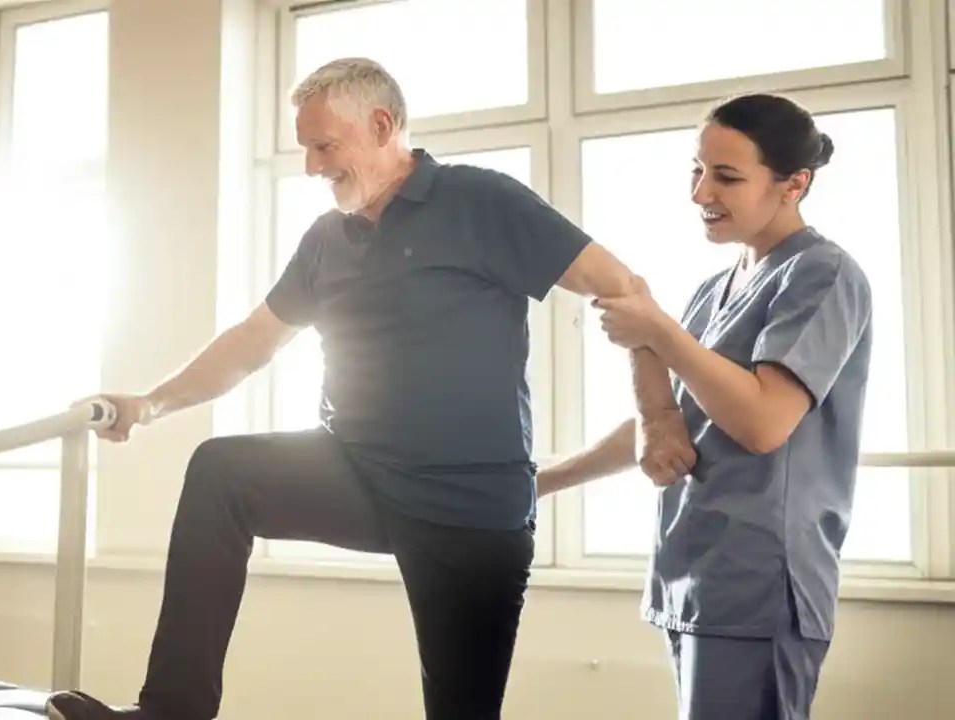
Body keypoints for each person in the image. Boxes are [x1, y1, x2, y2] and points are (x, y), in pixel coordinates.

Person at [45, 57, 696, 720]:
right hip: (354, 473)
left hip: (469, 511)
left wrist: (658, 416)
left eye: (324, 146)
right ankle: (171, 710)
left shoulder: (481, 202)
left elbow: (625, 291)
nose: (311, 167)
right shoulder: (328, 239)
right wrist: (148, 404)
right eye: (304, 150)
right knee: (222, 473)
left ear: (382, 125)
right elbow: (251, 343)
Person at [536, 93, 873, 720]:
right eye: (696, 169)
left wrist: (658, 332)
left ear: (794, 184)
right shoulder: (714, 291)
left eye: (726, 176)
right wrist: (539, 484)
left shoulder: (822, 275)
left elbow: (764, 421)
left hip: (760, 584)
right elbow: (670, 421)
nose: (699, 192)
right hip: (697, 580)